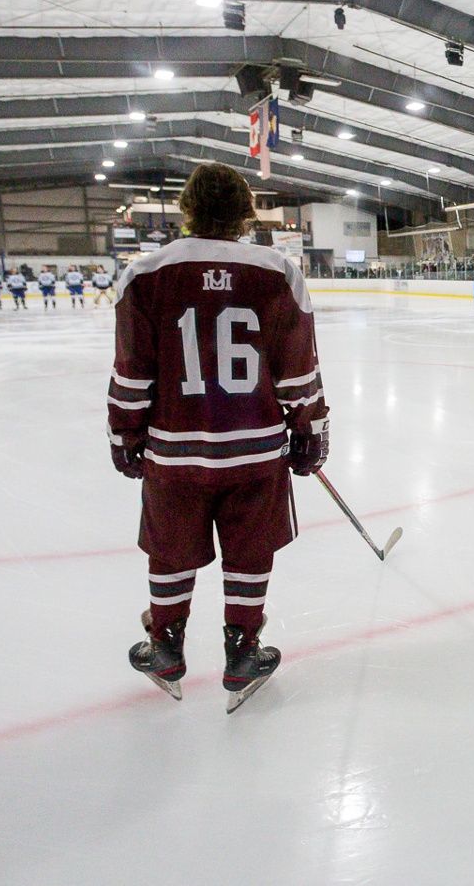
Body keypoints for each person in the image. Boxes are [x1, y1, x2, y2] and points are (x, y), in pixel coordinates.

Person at [110, 162, 328, 714]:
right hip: (256, 449)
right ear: (245, 213)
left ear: (188, 209)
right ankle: (243, 650)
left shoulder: (145, 271)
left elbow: (132, 371)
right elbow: (298, 370)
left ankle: (165, 645)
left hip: (173, 449)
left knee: (170, 546)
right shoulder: (277, 270)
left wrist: (124, 434)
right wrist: (311, 430)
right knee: (250, 550)